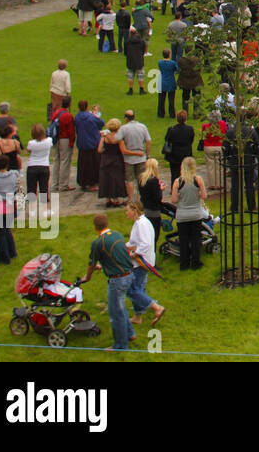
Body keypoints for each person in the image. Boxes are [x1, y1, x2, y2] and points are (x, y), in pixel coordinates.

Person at [82, 213, 137, 351]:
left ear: (95, 227)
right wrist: (105, 265)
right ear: (107, 223)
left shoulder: (98, 243)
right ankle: (130, 334)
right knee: (121, 307)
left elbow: (91, 263)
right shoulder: (117, 234)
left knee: (115, 314)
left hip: (117, 280)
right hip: (129, 274)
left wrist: (87, 277)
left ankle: (120, 345)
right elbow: (117, 254)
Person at [123, 201, 166, 327]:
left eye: (127, 211)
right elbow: (133, 243)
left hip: (141, 262)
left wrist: (133, 254)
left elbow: (145, 244)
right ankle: (138, 316)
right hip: (142, 260)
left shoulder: (141, 224)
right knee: (139, 287)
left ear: (134, 210)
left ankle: (156, 307)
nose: (126, 213)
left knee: (132, 289)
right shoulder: (139, 223)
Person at [172, 157, 208, 269]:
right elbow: (204, 196)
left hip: (182, 215)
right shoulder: (198, 180)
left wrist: (180, 195)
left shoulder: (178, 182)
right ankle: (196, 262)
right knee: (195, 239)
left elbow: (173, 200)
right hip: (195, 214)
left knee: (184, 240)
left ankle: (184, 263)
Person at [117, 109, 151, 203]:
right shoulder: (142, 126)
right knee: (141, 179)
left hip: (128, 158)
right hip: (141, 157)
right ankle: (140, 198)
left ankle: (131, 199)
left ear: (126, 118)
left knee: (129, 180)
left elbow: (117, 139)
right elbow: (148, 141)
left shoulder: (123, 128)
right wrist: (147, 155)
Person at [98, 119, 128, 209]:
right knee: (116, 178)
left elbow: (99, 149)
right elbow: (123, 150)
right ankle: (115, 198)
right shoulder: (119, 138)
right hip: (116, 159)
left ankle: (107, 199)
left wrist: (105, 151)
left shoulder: (104, 136)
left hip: (106, 159)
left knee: (106, 178)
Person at [75, 100, 103, 192]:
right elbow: (101, 123)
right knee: (92, 165)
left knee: (83, 164)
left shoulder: (77, 117)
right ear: (87, 107)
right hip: (92, 143)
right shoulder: (91, 117)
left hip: (82, 143)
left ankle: (83, 182)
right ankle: (92, 183)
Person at [23, 123, 52, 211]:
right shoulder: (49, 141)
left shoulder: (31, 143)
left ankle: (32, 210)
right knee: (44, 188)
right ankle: (44, 210)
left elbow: (28, 150)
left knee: (31, 190)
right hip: (44, 166)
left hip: (32, 166)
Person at [156, 48, 179, 118]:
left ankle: (160, 114)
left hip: (162, 82)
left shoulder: (160, 62)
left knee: (161, 99)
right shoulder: (172, 63)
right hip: (170, 81)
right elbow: (177, 69)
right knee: (171, 99)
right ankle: (172, 114)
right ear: (169, 54)